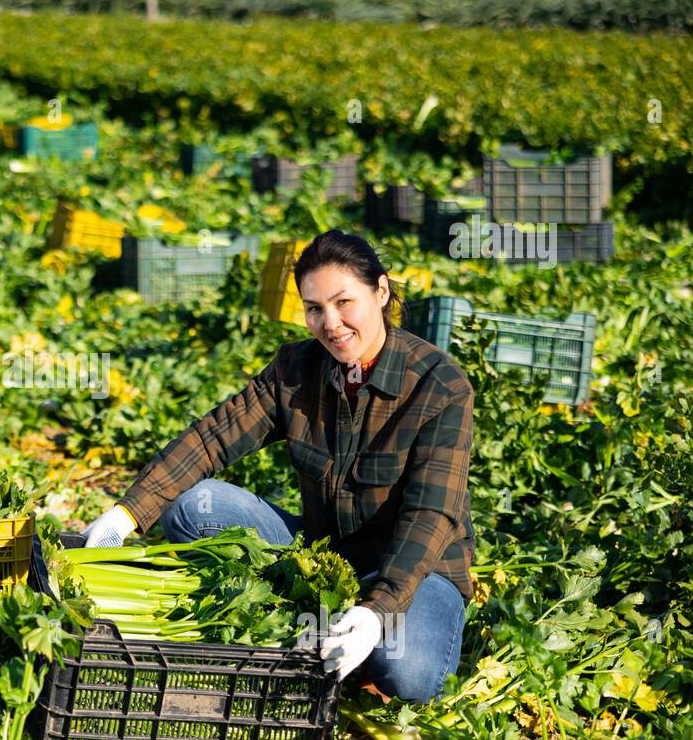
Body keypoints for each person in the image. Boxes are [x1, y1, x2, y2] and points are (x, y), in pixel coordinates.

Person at [80, 230, 474, 702]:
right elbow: (213, 438)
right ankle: (327, 630)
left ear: (381, 292)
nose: (331, 323)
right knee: (193, 507)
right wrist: (125, 515)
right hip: (326, 560)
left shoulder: (439, 386)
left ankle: (357, 636)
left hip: (418, 571)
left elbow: (430, 516)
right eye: (314, 308)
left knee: (407, 673)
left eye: (344, 302)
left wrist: (379, 609)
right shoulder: (298, 368)